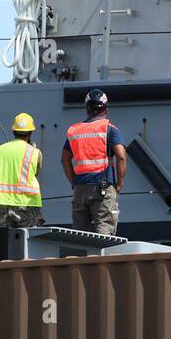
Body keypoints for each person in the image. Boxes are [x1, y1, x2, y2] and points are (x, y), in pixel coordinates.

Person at [62, 89, 127, 235]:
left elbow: (64, 158)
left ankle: (80, 258)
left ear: (87, 109)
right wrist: (119, 184)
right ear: (105, 108)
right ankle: (101, 258)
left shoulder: (74, 131)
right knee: (104, 229)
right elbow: (121, 156)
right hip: (102, 187)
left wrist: (74, 181)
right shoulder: (110, 129)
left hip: (80, 188)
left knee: (79, 232)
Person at [0, 112, 45, 228]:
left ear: (13, 131)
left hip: (3, 204)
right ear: (31, 132)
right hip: (28, 204)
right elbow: (36, 172)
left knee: (5, 241)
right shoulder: (34, 152)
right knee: (28, 239)